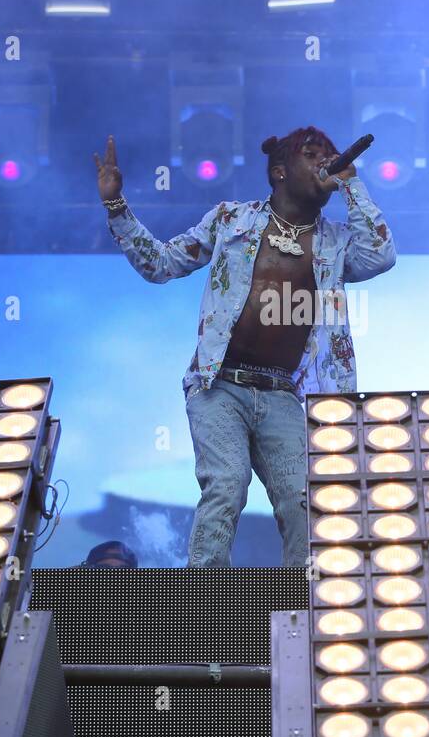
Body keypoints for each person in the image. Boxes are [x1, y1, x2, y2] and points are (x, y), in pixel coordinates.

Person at [96, 127, 396, 568]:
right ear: (279, 171)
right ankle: (204, 614)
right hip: (219, 386)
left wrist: (352, 182)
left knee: (305, 500)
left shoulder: (335, 240)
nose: (324, 162)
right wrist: (116, 205)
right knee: (227, 485)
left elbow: (380, 255)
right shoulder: (231, 220)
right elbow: (159, 264)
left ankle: (306, 617)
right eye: (312, 155)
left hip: (282, 395)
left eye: (329, 156)